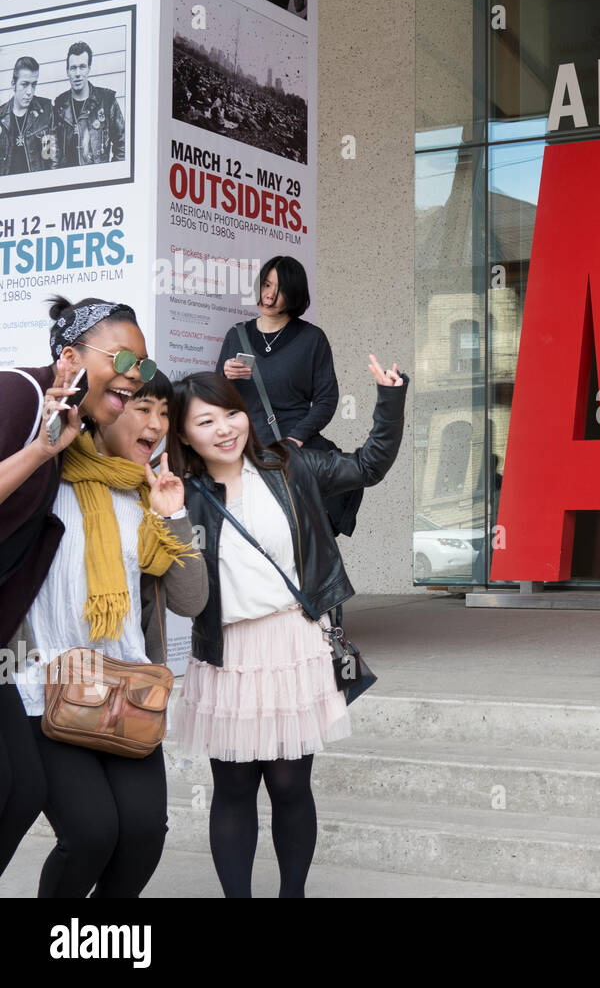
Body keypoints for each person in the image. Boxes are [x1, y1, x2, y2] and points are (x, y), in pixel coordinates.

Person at [168, 355, 406, 898]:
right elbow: (181, 591)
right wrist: (170, 516)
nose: (223, 429)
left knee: (291, 784)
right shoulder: (182, 496)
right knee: (232, 788)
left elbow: (367, 467)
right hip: (227, 650)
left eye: (229, 414)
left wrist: (388, 401)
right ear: (184, 434)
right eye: (204, 422)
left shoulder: (288, 466)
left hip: (293, 640)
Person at [20, 369, 203, 898]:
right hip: (44, 689)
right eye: (142, 407)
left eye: (164, 413)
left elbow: (192, 601)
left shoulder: (148, 499)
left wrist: (175, 516)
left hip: (126, 693)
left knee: (145, 834)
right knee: (91, 834)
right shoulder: (47, 482)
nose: (156, 424)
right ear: (105, 409)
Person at [0, 297, 151, 877]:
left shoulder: (68, 436)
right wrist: (40, 448)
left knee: (17, 793)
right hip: (30, 670)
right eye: (122, 358)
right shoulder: (16, 396)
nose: (135, 375)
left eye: (144, 365)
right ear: (71, 356)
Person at [217, 256, 361, 536]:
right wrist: (223, 376)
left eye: (280, 289)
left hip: (293, 458)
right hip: (248, 458)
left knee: (295, 543)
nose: (269, 295)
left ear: (294, 295)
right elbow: (214, 401)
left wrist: (296, 438)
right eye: (266, 284)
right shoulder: (237, 336)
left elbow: (326, 399)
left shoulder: (312, 339)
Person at [54, 41, 126, 167]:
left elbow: (123, 144)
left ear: (89, 69)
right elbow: (52, 150)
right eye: (73, 68)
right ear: (67, 72)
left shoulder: (107, 101)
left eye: (82, 67)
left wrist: (111, 175)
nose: (77, 74)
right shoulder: (59, 105)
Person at [0, 55, 56, 175]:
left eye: (33, 84)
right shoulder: (1, 116)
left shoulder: (45, 113)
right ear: (13, 84)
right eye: (24, 84)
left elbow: (51, 158)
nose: (29, 92)